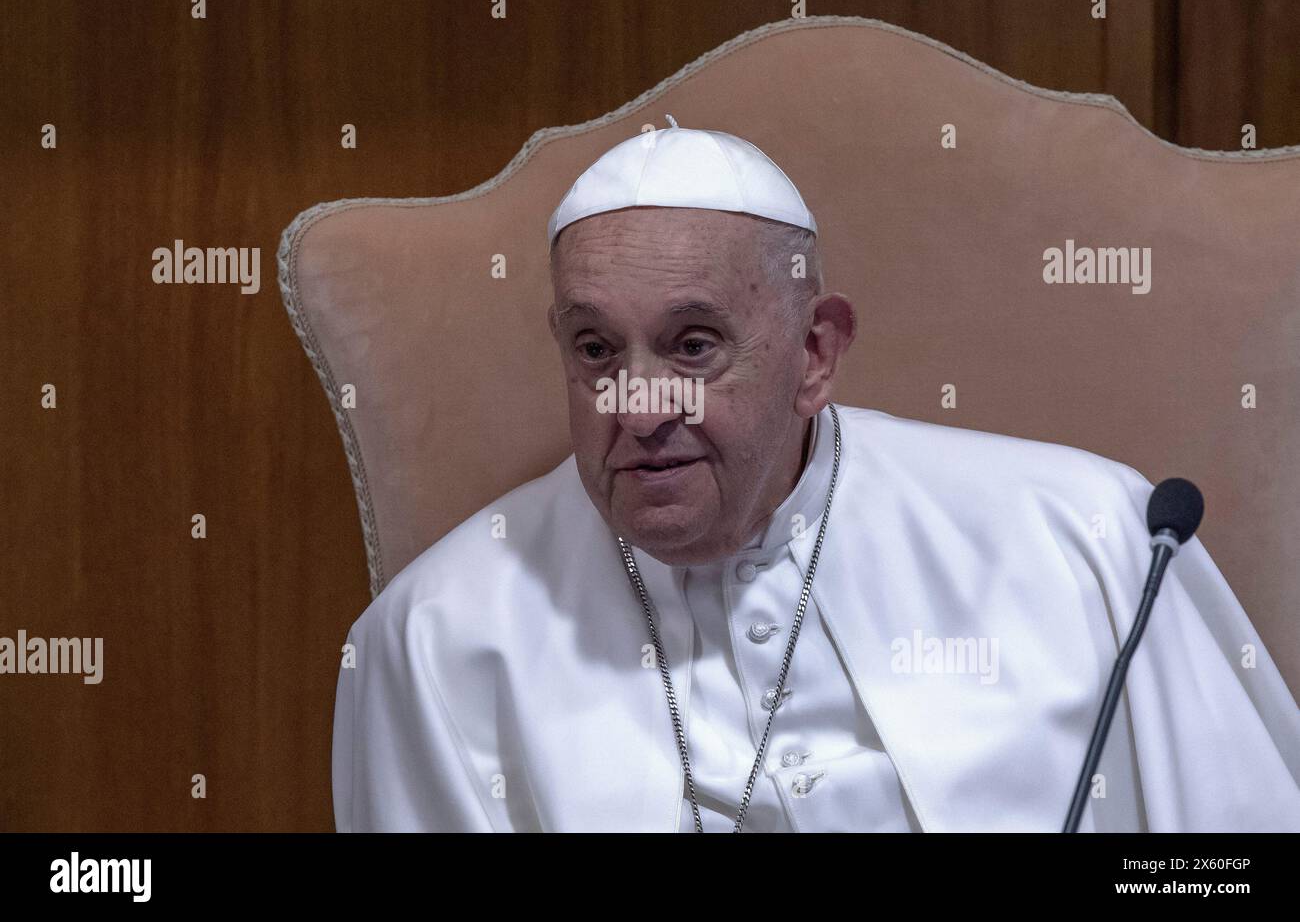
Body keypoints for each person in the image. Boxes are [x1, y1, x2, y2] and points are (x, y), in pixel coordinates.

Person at [330, 117, 1300, 831]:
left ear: (815, 352)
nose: (636, 403)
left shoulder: (1082, 536)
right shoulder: (436, 636)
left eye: (693, 344)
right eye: (594, 349)